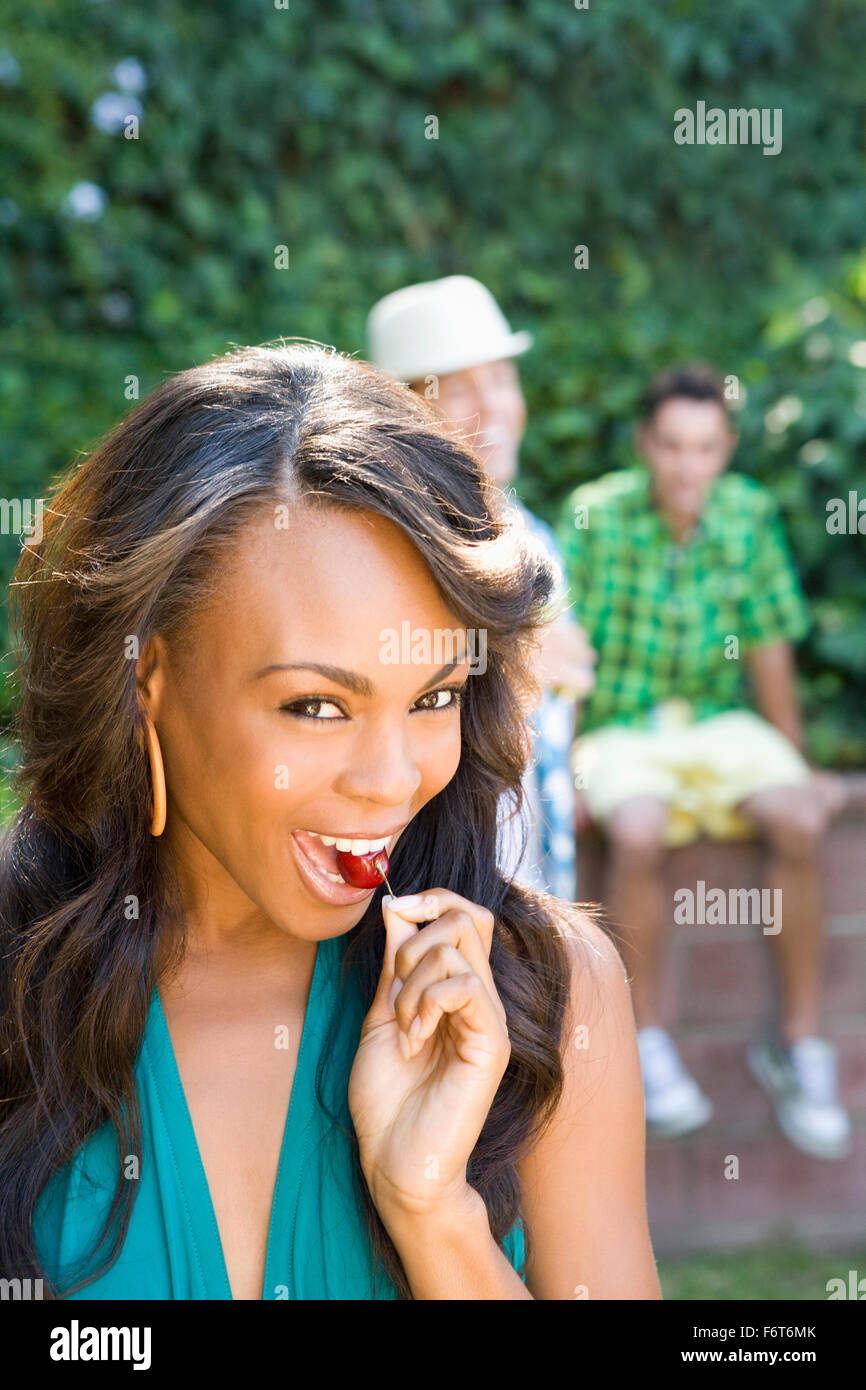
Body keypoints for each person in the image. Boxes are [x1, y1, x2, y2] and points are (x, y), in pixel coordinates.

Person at [0, 343, 660, 1299]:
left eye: (433, 698)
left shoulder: (545, 995)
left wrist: (432, 1212)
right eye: (316, 706)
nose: (392, 781)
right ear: (147, 683)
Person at [556, 363, 851, 1161]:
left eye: (706, 449)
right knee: (639, 829)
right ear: (645, 445)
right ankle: (647, 1043)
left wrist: (795, 757)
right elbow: (565, 650)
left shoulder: (748, 515)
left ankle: (798, 1044)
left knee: (797, 813)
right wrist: (560, 766)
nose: (689, 466)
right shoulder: (597, 517)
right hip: (621, 724)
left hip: (715, 723)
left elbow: (767, 642)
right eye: (673, 447)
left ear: (725, 452)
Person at [366, 275, 596, 903]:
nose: (492, 407)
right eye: (460, 387)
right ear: (403, 408)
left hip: (534, 889)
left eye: (501, 379)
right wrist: (517, 656)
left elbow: (569, 681)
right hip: (432, 895)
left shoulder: (535, 536)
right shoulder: (384, 543)